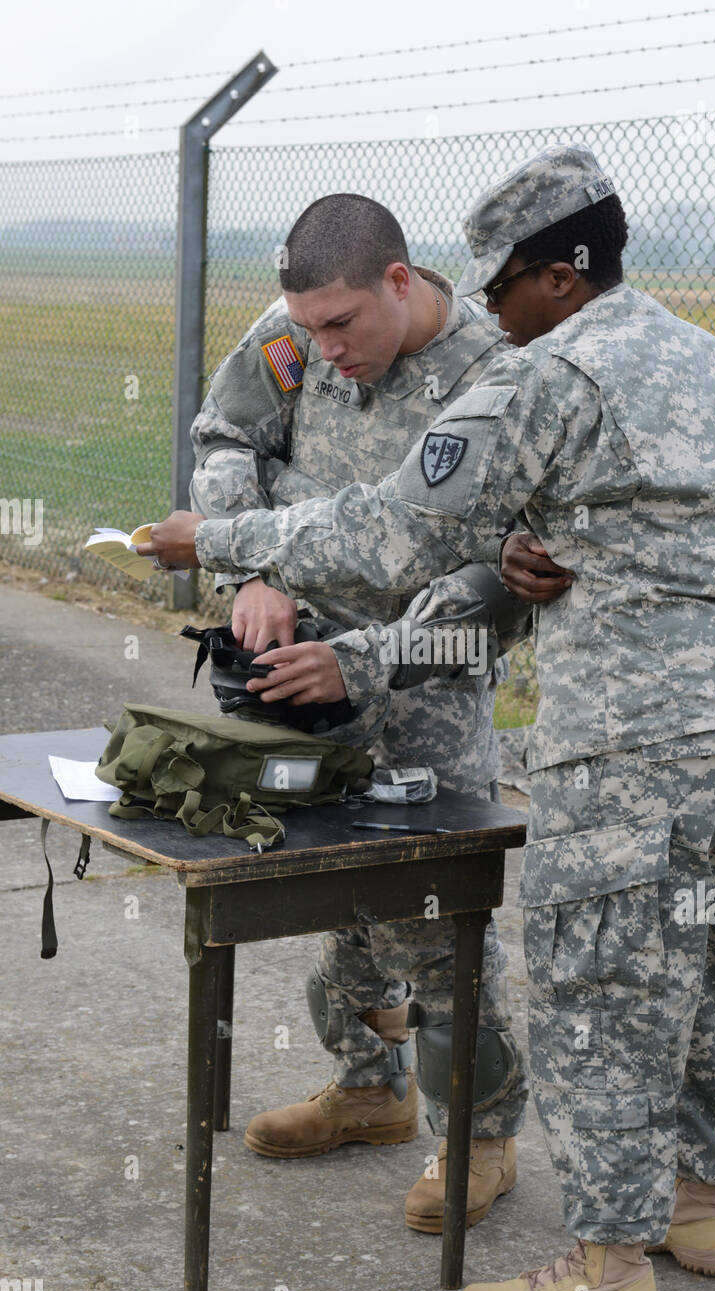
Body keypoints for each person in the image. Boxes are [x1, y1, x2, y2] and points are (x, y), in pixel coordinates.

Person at [143, 144, 715, 1291]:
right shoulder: (713, 365)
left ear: (559, 275)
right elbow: (665, 530)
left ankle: (605, 1266)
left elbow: (389, 534)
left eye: (503, 287)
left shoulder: (541, 373)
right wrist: (542, 554)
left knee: (596, 977)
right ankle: (702, 1209)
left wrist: (219, 541)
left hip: (636, 726)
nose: (496, 314)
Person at [177, 193, 532, 1235]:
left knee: (434, 910)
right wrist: (251, 565)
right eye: (308, 329)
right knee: (329, 882)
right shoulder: (291, 333)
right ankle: (369, 1087)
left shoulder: (490, 372)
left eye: (343, 326)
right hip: (291, 666)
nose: (325, 351)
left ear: (401, 280)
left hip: (423, 676)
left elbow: (493, 574)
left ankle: (480, 1137)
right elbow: (225, 436)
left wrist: (370, 661)